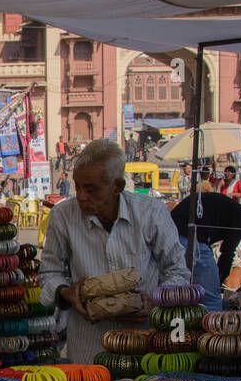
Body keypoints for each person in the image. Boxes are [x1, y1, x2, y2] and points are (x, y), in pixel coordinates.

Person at [40, 140, 190, 364]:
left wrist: (156, 302)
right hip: (89, 349)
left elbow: (178, 271)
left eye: (91, 189)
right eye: (77, 186)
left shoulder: (151, 213)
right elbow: (49, 273)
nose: (80, 195)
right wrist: (65, 293)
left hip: (144, 345)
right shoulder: (62, 216)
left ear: (117, 186)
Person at [170, 191, 241, 311]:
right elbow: (228, 252)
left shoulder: (230, 211)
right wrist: (219, 280)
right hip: (190, 234)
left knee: (182, 292)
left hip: (175, 230)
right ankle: (211, 324)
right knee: (211, 299)